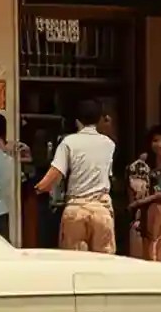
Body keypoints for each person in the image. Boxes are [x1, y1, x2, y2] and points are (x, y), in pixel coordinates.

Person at [35, 99, 116, 254]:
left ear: (77, 121)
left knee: (76, 261)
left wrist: (38, 189)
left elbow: (55, 174)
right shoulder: (109, 144)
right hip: (101, 209)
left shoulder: (69, 142)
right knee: (105, 263)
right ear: (100, 119)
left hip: (76, 209)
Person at [127, 125, 161, 262]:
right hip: (145, 219)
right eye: (155, 140)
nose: (159, 145)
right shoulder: (141, 166)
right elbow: (135, 193)